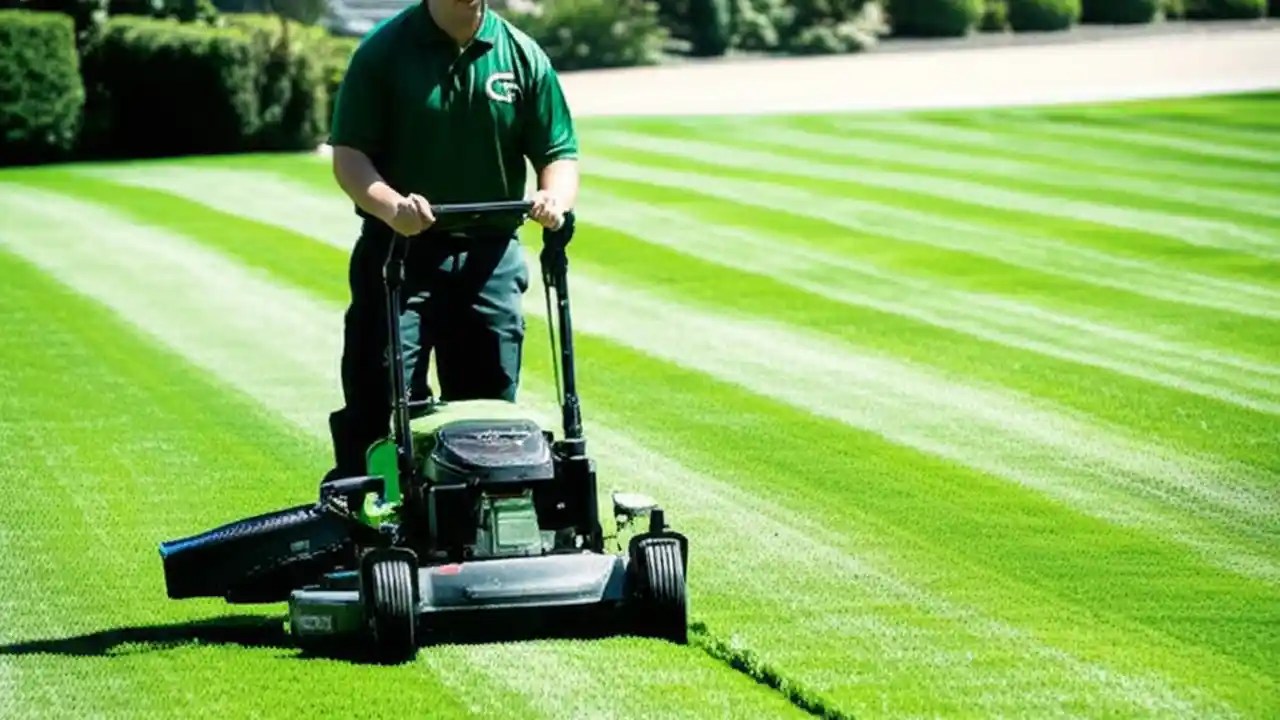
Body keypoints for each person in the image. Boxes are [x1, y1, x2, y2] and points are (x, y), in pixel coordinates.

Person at [322, 0, 580, 483]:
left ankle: (474, 530)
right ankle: (367, 517)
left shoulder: (521, 56)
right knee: (379, 394)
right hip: (399, 255)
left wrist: (553, 197)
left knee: (489, 415)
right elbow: (349, 155)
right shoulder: (383, 54)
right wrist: (391, 207)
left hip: (490, 259)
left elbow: (558, 151)